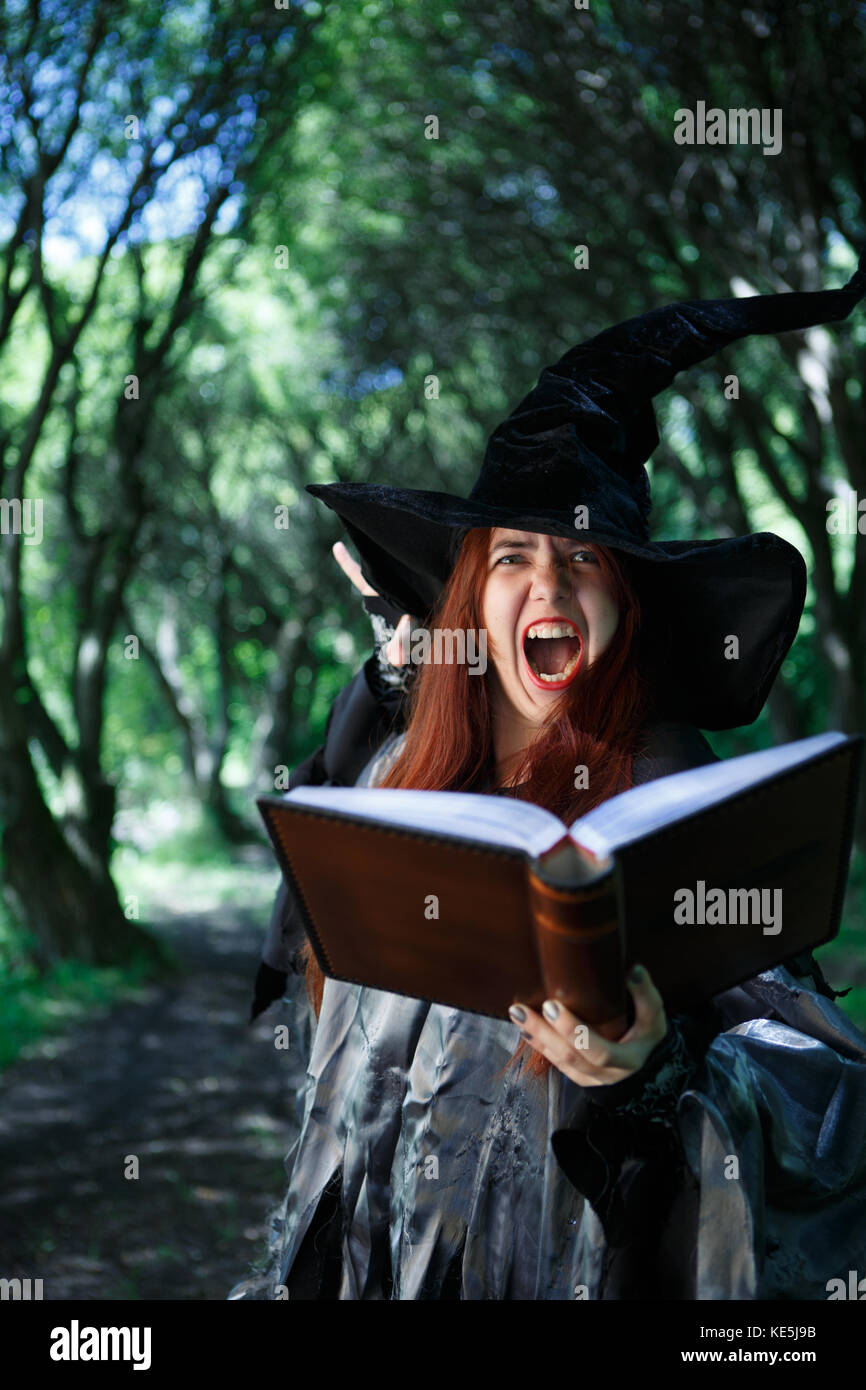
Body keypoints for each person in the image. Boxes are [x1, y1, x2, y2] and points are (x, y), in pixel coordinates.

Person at [232, 252, 866, 1300]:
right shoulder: (404, 762)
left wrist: (655, 1080)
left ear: (623, 604)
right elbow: (312, 926)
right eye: (512, 559)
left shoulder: (667, 798)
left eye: (581, 561)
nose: (547, 584)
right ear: (474, 598)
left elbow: (824, 1101)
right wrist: (396, 676)